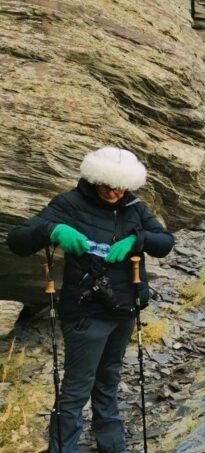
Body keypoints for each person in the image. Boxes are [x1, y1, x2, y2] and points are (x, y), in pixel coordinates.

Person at [6, 147, 174, 453]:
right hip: (85, 311)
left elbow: (165, 243)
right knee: (76, 388)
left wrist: (139, 239)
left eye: (121, 187)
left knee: (108, 381)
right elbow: (17, 239)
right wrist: (52, 229)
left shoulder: (135, 207)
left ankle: (112, 445)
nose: (114, 194)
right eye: (107, 186)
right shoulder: (70, 204)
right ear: (93, 179)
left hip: (124, 308)